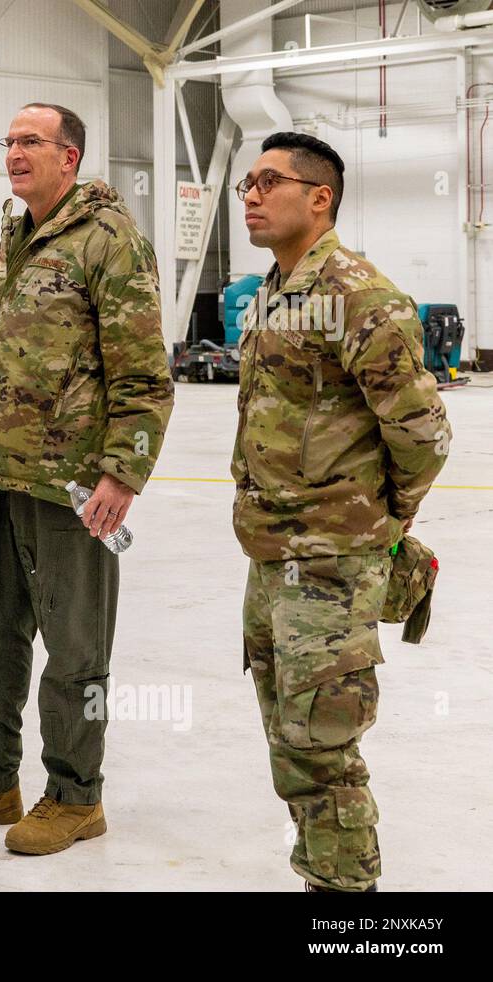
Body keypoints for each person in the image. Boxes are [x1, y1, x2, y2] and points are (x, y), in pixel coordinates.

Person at [0, 104, 174, 855]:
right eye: (10, 141)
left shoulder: (110, 242)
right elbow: (2, 363)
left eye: (32, 141)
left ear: (70, 156)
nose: (16, 152)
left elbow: (146, 375)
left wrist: (123, 473)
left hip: (76, 488)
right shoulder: (14, 239)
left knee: (75, 647)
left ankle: (76, 797)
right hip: (5, 480)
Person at [232, 131, 451, 892]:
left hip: (329, 564)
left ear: (319, 197)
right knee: (291, 745)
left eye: (268, 182)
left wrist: (382, 519)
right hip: (271, 557)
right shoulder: (275, 289)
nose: (251, 196)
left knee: (324, 749)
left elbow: (422, 434)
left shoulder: (359, 295)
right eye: (246, 186)